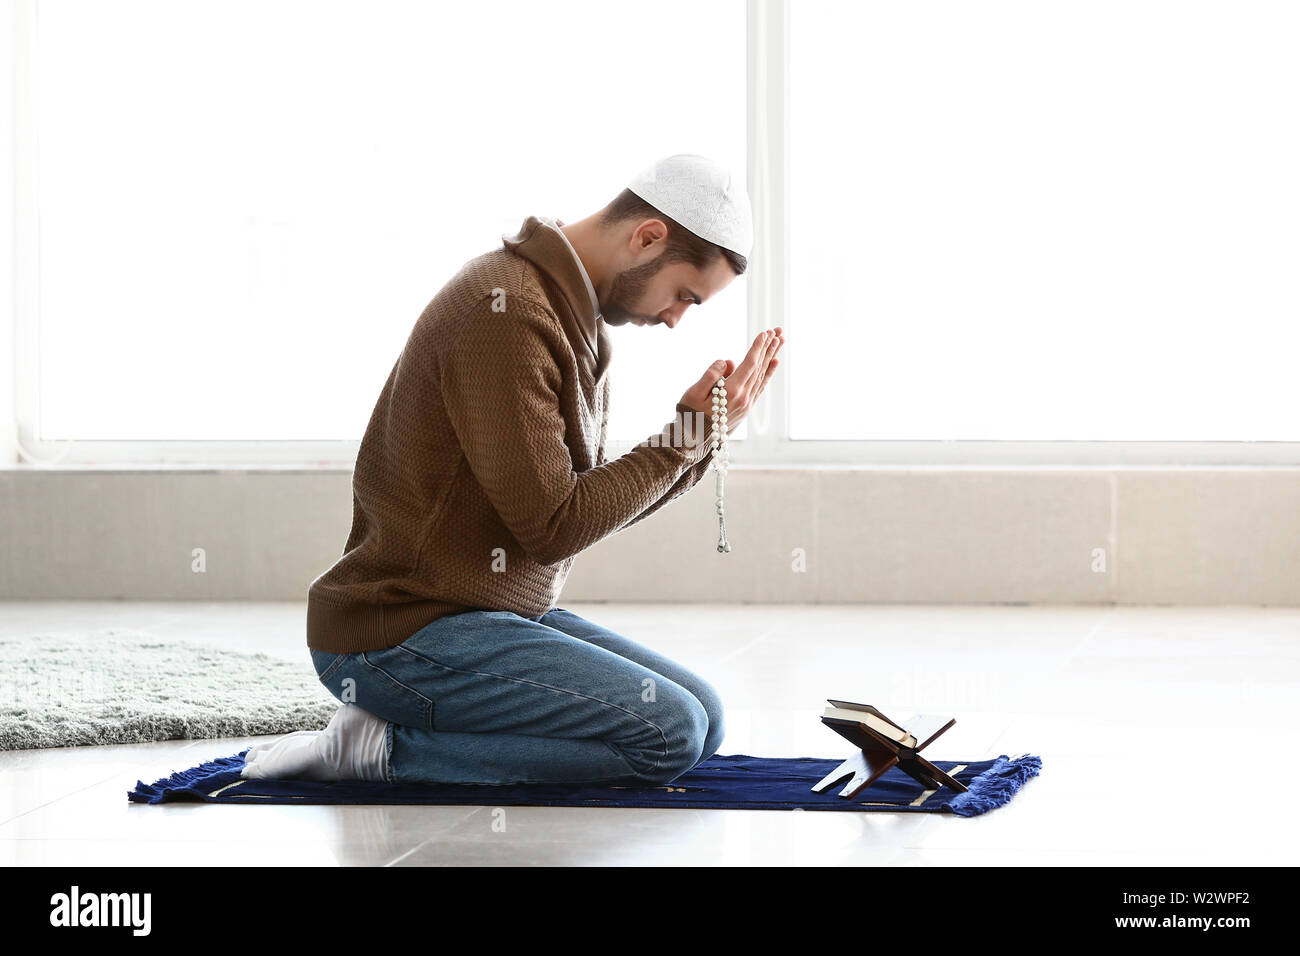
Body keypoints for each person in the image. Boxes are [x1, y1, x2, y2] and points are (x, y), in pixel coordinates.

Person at [242, 154, 785, 787]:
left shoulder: (569, 313)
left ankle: (412, 732)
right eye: (684, 295)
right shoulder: (507, 312)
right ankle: (380, 749)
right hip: (397, 634)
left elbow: (585, 504)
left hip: (484, 616)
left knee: (707, 720)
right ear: (648, 237)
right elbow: (554, 526)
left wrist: (699, 437)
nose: (674, 318)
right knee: (669, 734)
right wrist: (684, 439)